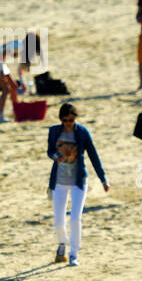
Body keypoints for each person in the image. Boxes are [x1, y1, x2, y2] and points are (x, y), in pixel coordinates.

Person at [46, 102, 109, 266]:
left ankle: (74, 253)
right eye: (66, 120)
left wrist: (103, 179)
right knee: (59, 222)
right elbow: (49, 151)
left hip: (78, 181)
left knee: (75, 218)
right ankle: (62, 244)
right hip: (59, 182)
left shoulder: (82, 132)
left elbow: (93, 155)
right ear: (61, 119)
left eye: (71, 120)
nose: (68, 123)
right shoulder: (54, 131)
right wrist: (55, 156)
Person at [0, 32, 43, 123]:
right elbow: (1, 54)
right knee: (6, 90)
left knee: (14, 87)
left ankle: (17, 112)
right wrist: (2, 71)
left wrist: (23, 83)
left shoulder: (22, 48)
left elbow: (19, 69)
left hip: (0, 63)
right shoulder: (19, 46)